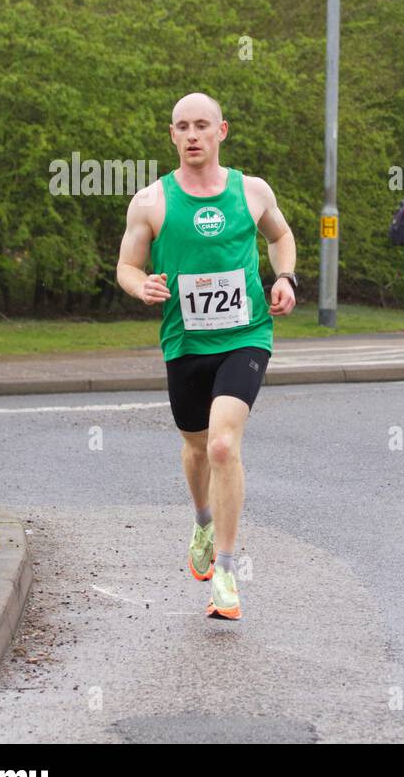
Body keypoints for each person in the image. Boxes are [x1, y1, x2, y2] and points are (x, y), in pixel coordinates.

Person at [116, 92, 296, 621]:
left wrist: (284, 277)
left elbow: (281, 236)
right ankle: (201, 519)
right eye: (182, 126)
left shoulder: (252, 190)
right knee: (196, 447)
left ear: (222, 131)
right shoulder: (151, 201)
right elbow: (127, 265)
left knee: (222, 445)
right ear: (171, 135)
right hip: (185, 342)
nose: (192, 134)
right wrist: (139, 286)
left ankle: (225, 569)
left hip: (246, 336)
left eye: (202, 125)